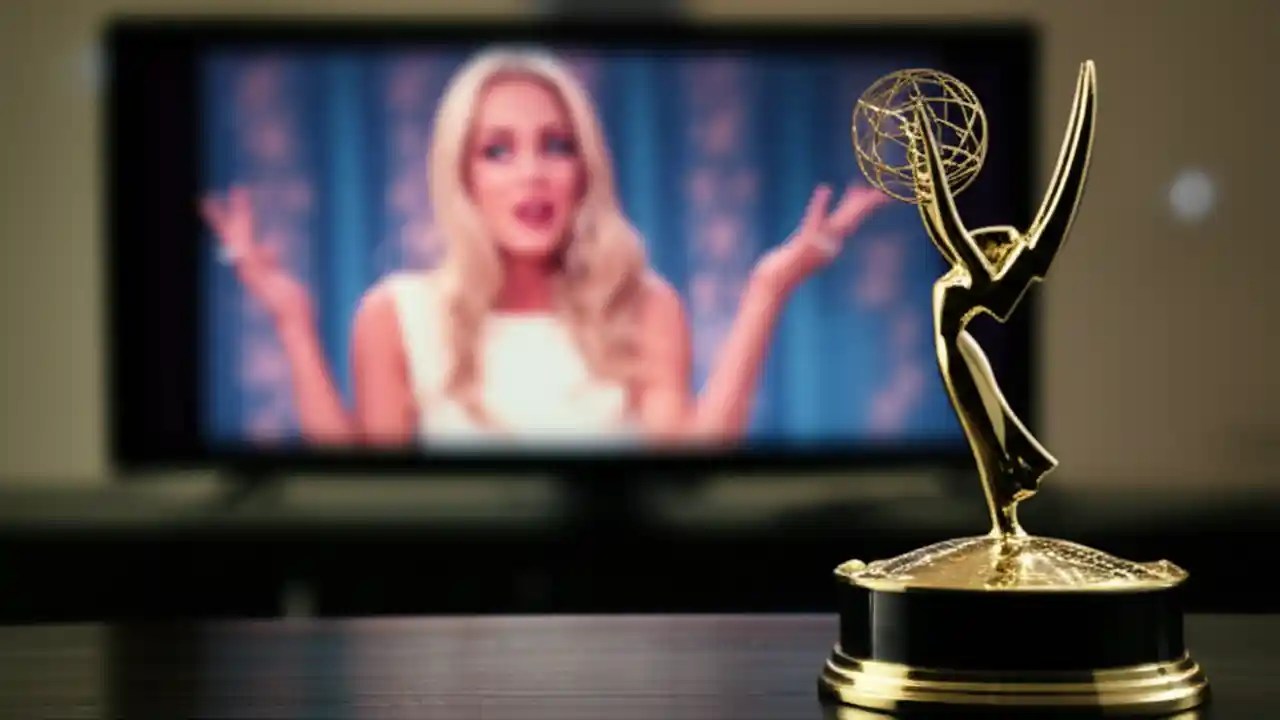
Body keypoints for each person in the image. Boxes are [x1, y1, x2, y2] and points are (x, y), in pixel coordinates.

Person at [200, 48, 891, 448]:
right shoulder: (395, 314)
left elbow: (695, 463)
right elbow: (365, 492)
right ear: (462, 175)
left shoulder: (645, 305)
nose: (531, 173)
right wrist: (291, 320)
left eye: (556, 146)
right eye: (498, 150)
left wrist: (768, 290)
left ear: (585, 168)